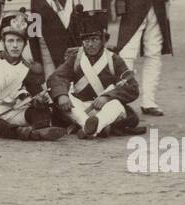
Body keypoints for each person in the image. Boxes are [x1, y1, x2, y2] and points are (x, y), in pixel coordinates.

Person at [0, 13, 67, 142]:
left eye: (19, 41)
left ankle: (40, 129)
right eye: (10, 41)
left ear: (24, 44)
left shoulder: (28, 68)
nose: (15, 46)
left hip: (12, 110)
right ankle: (22, 133)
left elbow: (35, 94)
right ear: (4, 43)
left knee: (41, 112)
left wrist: (38, 100)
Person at [46, 9, 143, 139]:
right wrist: (62, 95)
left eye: (95, 39)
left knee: (116, 105)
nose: (90, 45)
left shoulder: (114, 60)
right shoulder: (75, 58)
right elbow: (57, 77)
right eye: (86, 41)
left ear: (103, 40)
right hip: (80, 108)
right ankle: (94, 127)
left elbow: (131, 87)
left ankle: (89, 128)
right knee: (66, 99)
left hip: (104, 108)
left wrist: (108, 97)